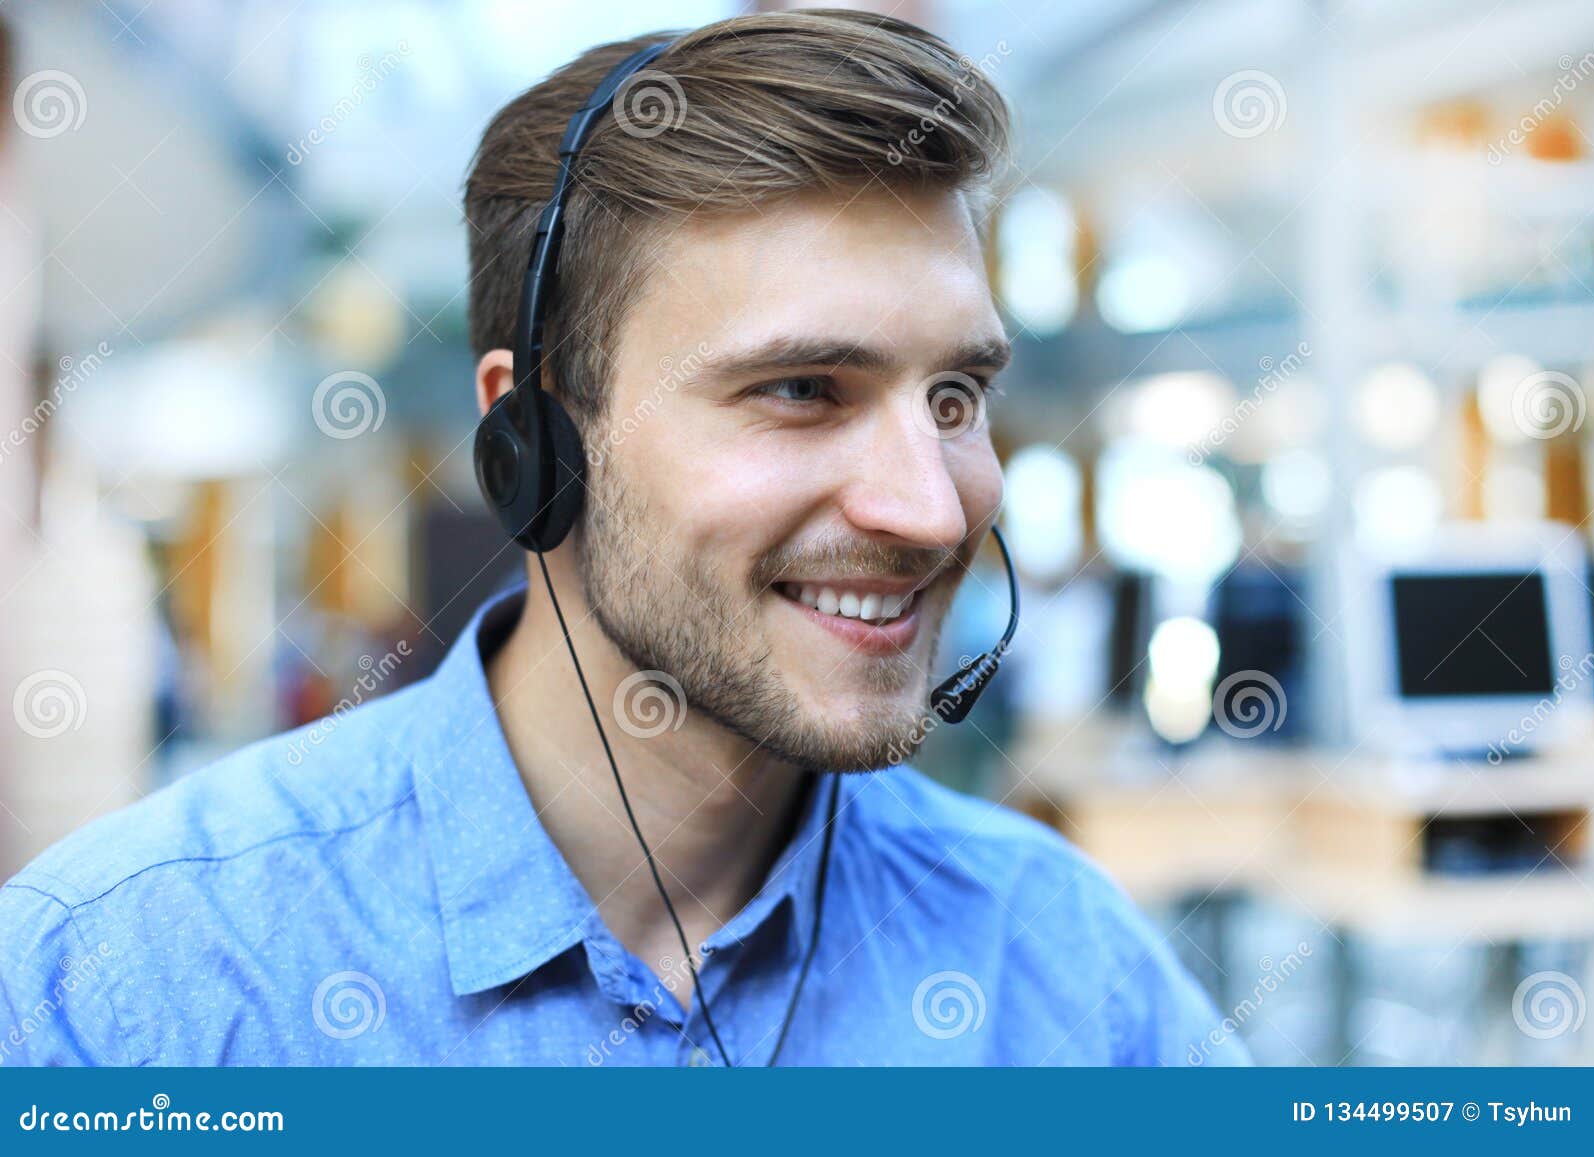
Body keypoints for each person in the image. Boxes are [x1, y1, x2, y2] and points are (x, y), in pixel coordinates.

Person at [0, 9, 1246, 1066]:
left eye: (956, 396)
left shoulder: (1068, 971)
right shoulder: (130, 984)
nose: (929, 508)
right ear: (532, 436)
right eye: (801, 389)